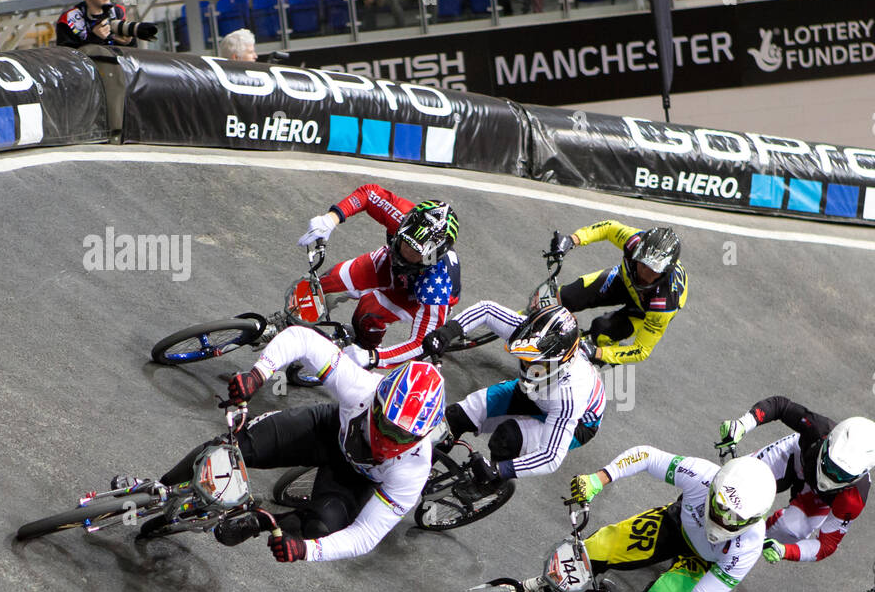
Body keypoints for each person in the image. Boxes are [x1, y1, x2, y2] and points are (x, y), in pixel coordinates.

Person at [127, 327, 446, 563]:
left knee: (320, 528)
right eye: (385, 422)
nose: (389, 437)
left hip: (355, 480)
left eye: (401, 436)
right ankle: (157, 487)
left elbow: (365, 535)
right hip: (327, 430)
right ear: (377, 399)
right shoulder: (361, 386)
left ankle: (259, 522)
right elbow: (302, 340)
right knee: (229, 448)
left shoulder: (413, 470)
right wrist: (258, 374)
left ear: (420, 437)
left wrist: (305, 550)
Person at [561, 450, 776, 592]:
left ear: (754, 519)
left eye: (734, 519)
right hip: (675, 525)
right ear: (712, 488)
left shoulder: (750, 546)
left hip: (701, 561)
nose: (722, 521)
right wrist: (599, 479)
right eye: (719, 509)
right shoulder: (702, 475)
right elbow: (648, 457)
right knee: (597, 548)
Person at [421, 302, 605, 493]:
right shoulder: (531, 337)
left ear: (559, 363)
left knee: (507, 438)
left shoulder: (571, 394)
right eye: (526, 359)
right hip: (534, 392)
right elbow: (487, 311)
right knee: (455, 417)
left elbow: (550, 456)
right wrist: (446, 333)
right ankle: (417, 468)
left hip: (577, 422)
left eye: (536, 363)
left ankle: (486, 488)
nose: (527, 366)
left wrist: (500, 470)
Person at [298, 185, 460, 369]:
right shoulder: (402, 215)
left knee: (369, 313)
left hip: (416, 294)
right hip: (389, 262)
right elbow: (368, 193)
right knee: (322, 285)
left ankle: (365, 346)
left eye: (417, 253)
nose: (406, 253)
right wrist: (330, 219)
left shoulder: (437, 285)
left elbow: (420, 345)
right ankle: (285, 322)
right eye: (406, 242)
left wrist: (373, 357)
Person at [716, 397, 875, 565]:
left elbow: (826, 545)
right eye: (830, 465)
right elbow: (780, 406)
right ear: (827, 444)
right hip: (796, 457)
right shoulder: (818, 429)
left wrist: (784, 550)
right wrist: (743, 424)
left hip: (816, 498)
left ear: (859, 475)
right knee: (737, 484)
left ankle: (729, 557)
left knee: (789, 531)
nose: (831, 477)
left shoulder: (854, 498)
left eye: (842, 475)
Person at [546, 222, 686, 366]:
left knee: (602, 333)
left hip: (645, 308)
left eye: (653, 270)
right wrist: (572, 239)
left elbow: (641, 350)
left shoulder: (663, 305)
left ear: (665, 272)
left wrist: (596, 352)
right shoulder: (634, 243)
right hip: (624, 281)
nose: (644, 275)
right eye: (643, 264)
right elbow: (609, 228)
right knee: (563, 298)